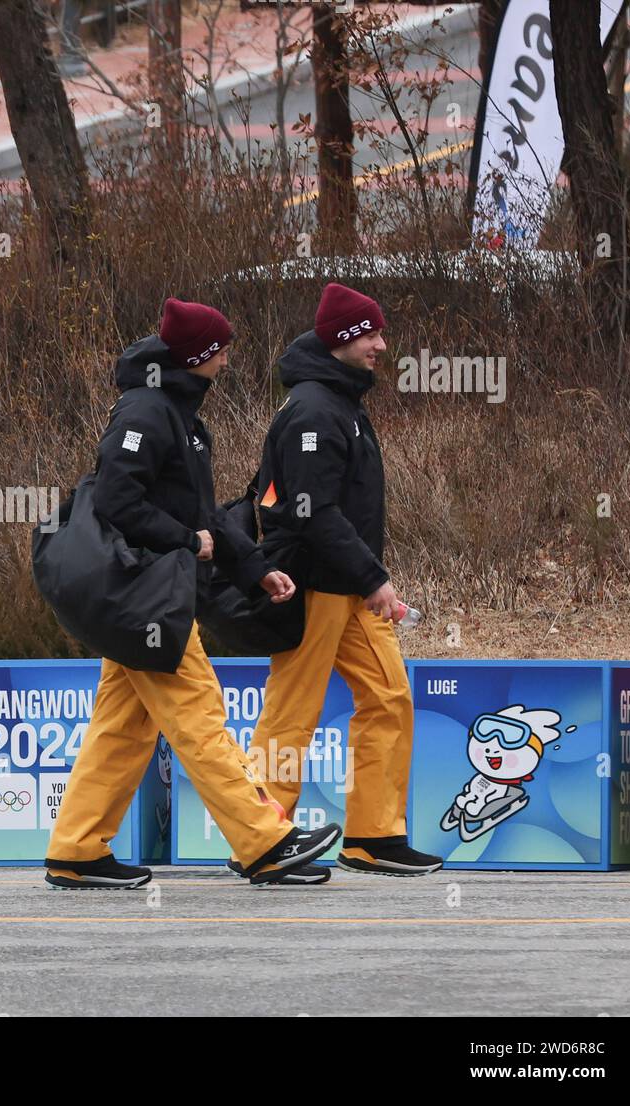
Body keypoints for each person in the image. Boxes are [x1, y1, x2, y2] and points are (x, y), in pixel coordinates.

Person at [43, 297, 342, 888]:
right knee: (201, 715)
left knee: (121, 727)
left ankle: (76, 848)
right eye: (223, 350)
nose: (229, 361)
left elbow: (205, 512)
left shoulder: (179, 415)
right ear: (200, 355)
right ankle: (264, 841)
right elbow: (115, 501)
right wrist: (185, 541)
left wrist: (254, 567)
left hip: (147, 597)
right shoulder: (145, 413)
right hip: (147, 598)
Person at [245, 283, 442, 876]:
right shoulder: (314, 411)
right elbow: (311, 511)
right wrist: (374, 576)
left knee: (388, 698)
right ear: (343, 340)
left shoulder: (341, 402)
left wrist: (367, 579)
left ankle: (374, 836)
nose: (383, 345)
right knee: (291, 714)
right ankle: (262, 838)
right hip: (312, 586)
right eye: (372, 335)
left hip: (351, 586)